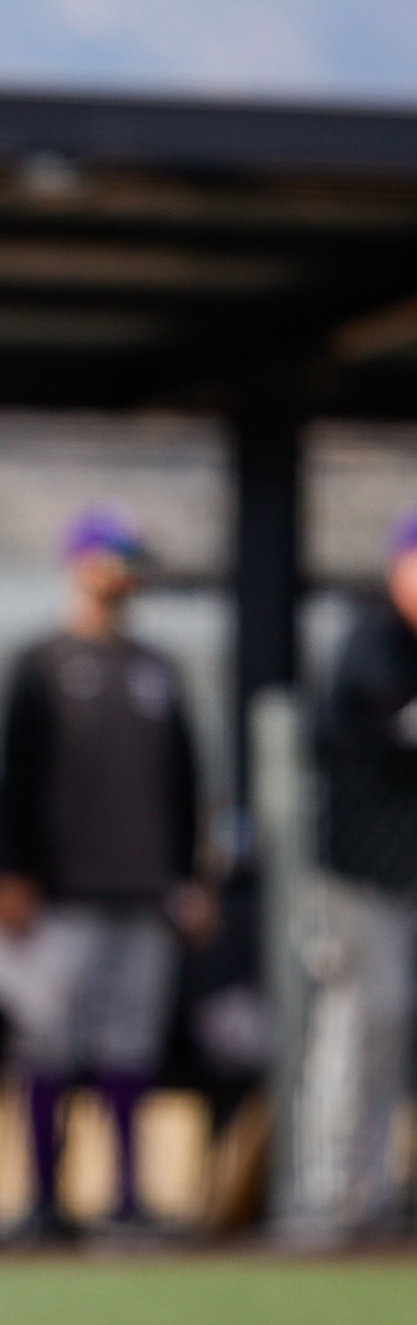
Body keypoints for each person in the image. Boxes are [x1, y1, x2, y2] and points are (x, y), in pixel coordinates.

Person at [0, 506, 201, 1236]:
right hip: (62, 893)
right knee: (49, 1041)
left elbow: (185, 781)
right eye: (114, 554)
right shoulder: (41, 661)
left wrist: (189, 876)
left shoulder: (157, 668)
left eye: (133, 555)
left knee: (131, 1045)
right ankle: (44, 1200)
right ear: (79, 560)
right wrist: (11, 871)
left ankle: (127, 1197)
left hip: (144, 889)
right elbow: (13, 776)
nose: (126, 568)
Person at [313, 506, 417, 1237]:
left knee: (393, 1026)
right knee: (359, 1022)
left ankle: (372, 1188)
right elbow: (374, 727)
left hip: (404, 879)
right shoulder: (371, 638)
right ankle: (330, 1188)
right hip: (354, 879)